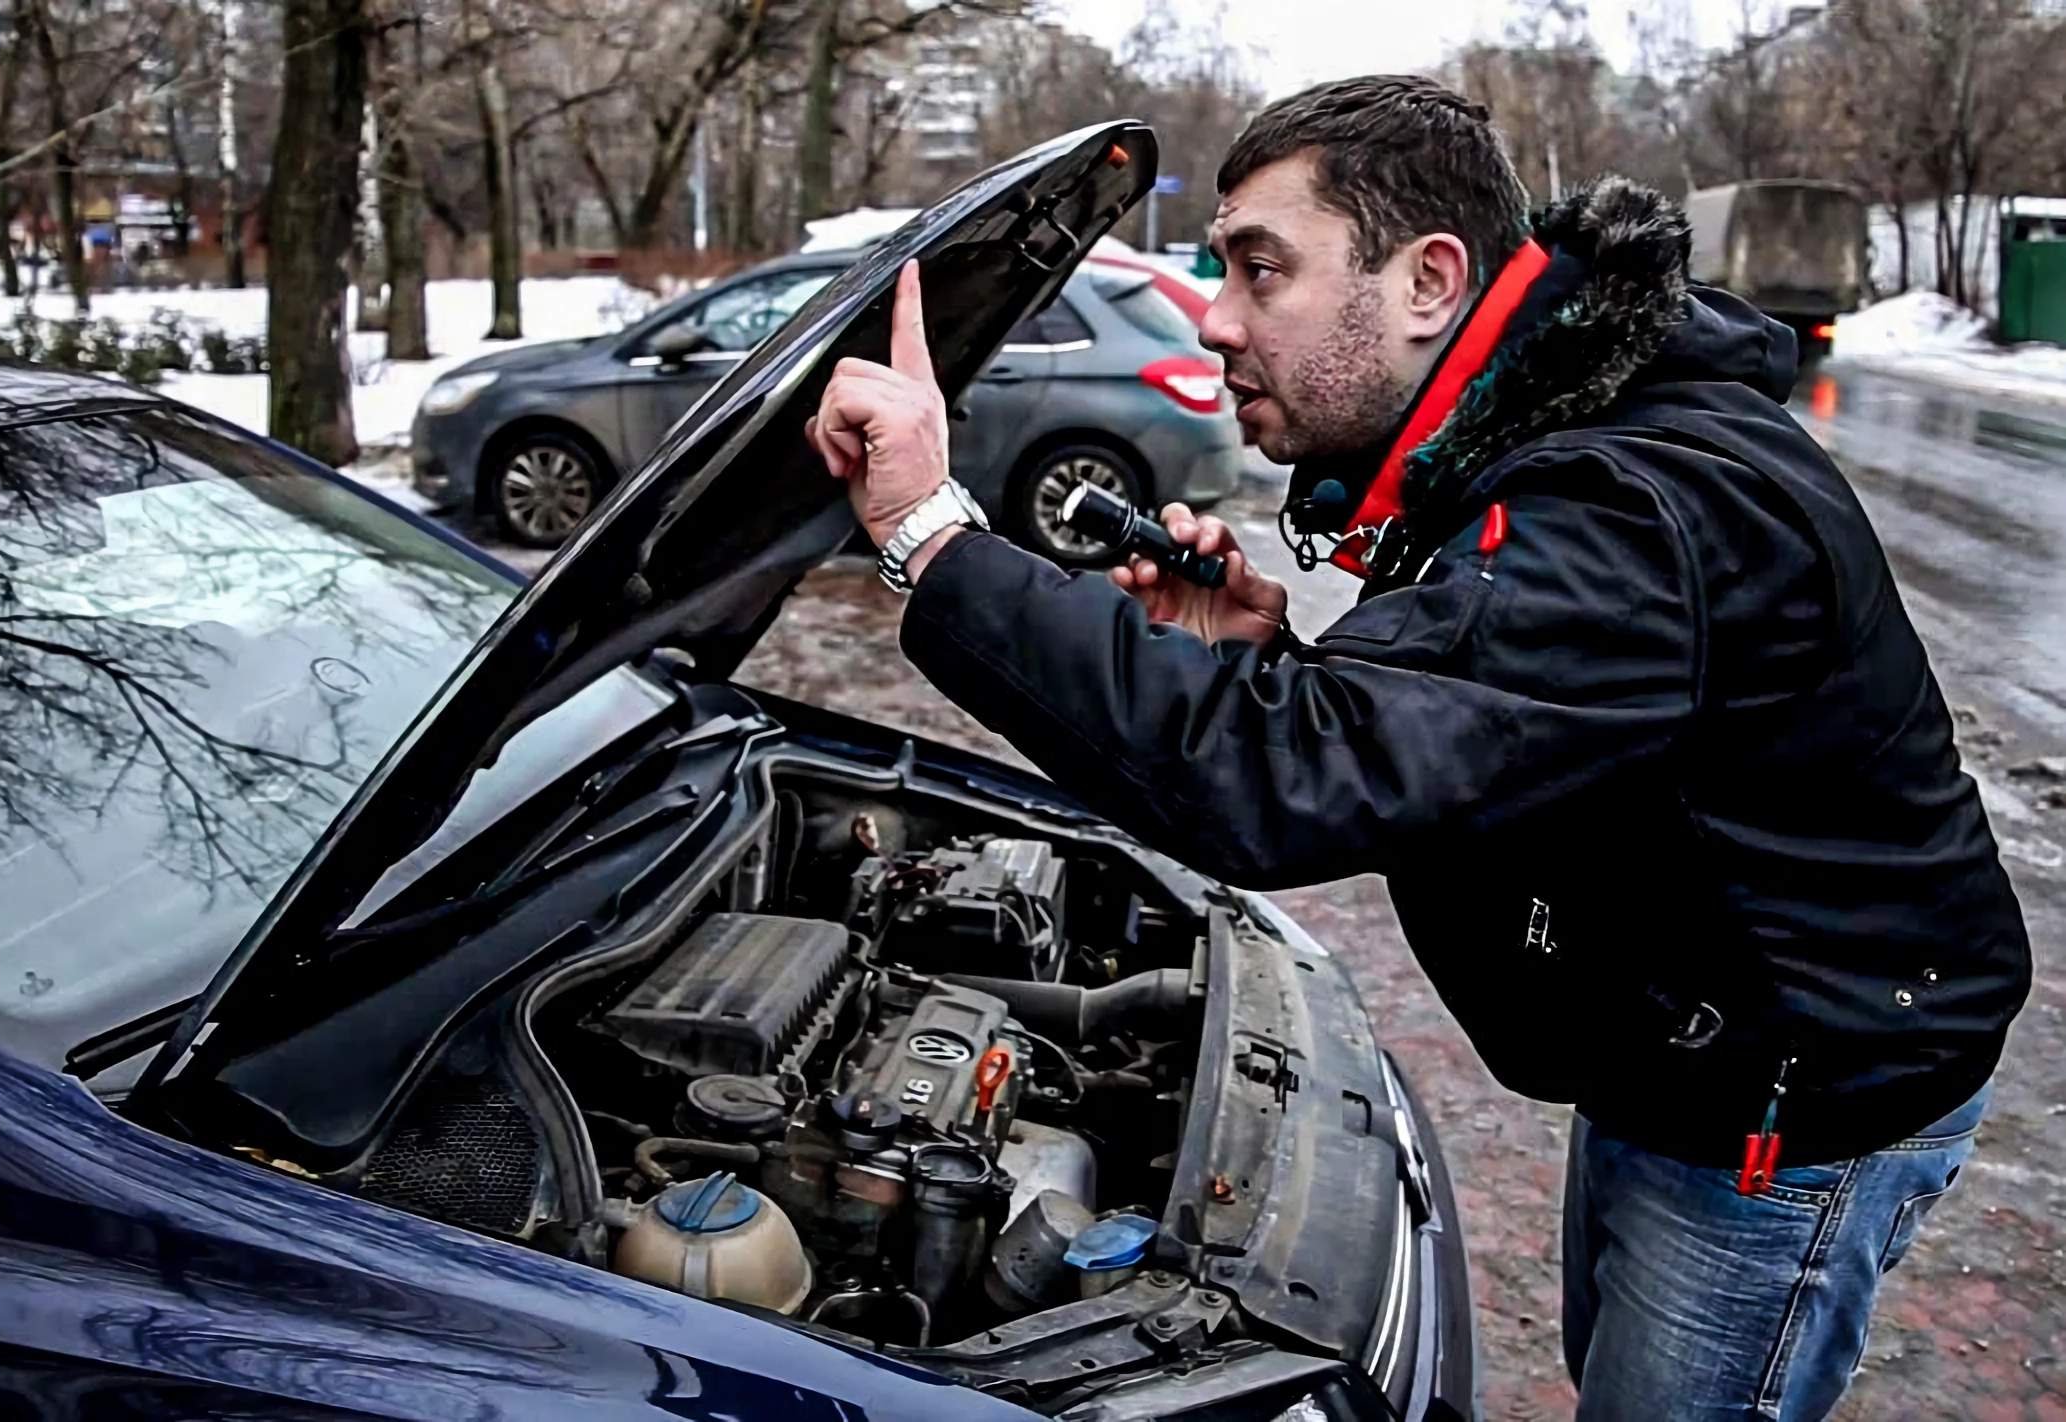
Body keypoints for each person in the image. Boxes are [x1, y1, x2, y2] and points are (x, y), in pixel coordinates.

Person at [806, 76, 2031, 1420]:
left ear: (1428, 281)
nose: (1213, 319)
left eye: (1259, 269)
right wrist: (1264, 667)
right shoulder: (1542, 440)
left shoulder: (1625, 506)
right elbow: (1472, 738)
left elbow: (1296, 778)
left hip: (1786, 1103)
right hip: (1682, 1044)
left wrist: (934, 535)